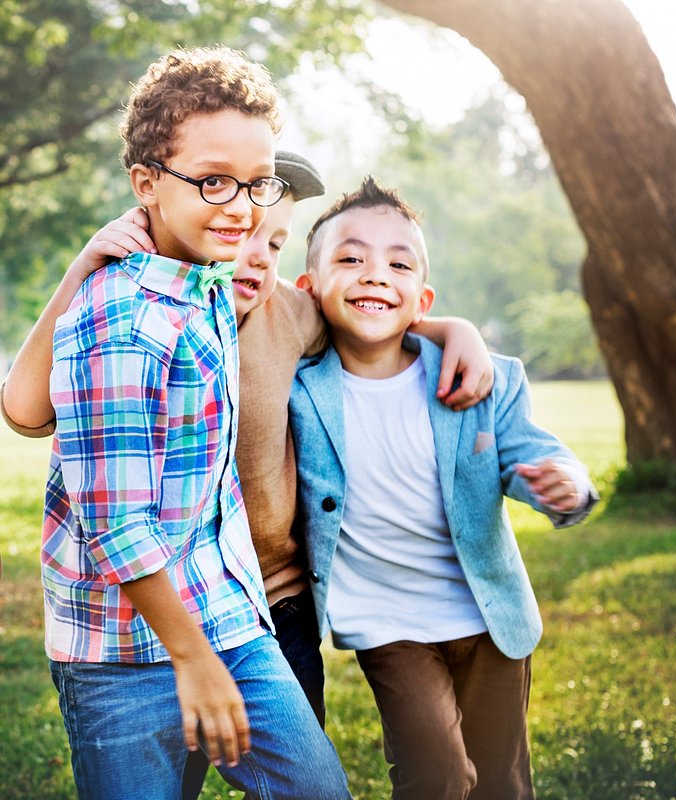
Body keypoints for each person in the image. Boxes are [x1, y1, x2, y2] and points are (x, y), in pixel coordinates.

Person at [3, 156, 495, 795]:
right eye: (245, 236)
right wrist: (83, 268)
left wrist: (454, 329)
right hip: (149, 612)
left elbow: (368, 315)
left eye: (276, 241)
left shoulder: (288, 313)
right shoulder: (138, 317)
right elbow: (23, 408)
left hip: (269, 607)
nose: (258, 255)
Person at [18, 45, 350, 800]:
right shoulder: (122, 317)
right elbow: (116, 522)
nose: (243, 207)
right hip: (124, 651)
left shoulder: (207, 286)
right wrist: (193, 660)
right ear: (146, 186)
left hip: (228, 616)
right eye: (213, 182)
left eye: (258, 184)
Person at [289, 176, 600, 800]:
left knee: (502, 784)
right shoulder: (297, 388)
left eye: (398, 264)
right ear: (308, 289)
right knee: (437, 775)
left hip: (488, 615)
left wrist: (562, 483)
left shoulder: (483, 377)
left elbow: (528, 451)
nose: (375, 275)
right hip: (387, 623)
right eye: (350, 259)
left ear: (421, 297)